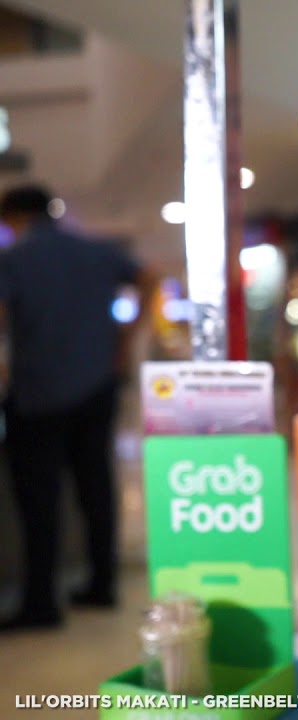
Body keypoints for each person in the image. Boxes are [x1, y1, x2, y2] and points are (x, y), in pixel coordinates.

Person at [0, 185, 157, 632]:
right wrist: (127, 338)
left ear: (13, 216)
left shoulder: (15, 258)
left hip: (39, 391)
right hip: (96, 385)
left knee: (39, 501)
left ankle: (41, 604)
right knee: (96, 486)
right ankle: (102, 584)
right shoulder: (94, 251)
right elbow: (148, 276)